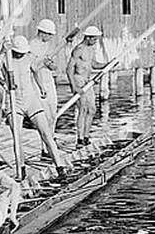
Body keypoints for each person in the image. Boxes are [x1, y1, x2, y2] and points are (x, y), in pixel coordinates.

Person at [8, 34, 69, 177]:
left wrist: (41, 87)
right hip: (14, 101)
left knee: (46, 133)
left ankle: (60, 167)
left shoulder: (29, 57)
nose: (20, 55)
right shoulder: (7, 59)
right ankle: (21, 169)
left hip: (30, 99)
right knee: (17, 137)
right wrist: (2, 52)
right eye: (18, 53)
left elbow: (35, 70)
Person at [67, 26, 108, 148]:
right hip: (78, 80)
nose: (95, 41)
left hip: (88, 81)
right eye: (94, 39)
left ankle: (86, 136)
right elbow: (69, 69)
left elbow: (94, 64)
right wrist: (74, 87)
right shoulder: (79, 49)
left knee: (92, 110)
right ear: (88, 37)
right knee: (83, 109)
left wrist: (107, 64)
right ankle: (79, 139)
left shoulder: (91, 49)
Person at [26, 17, 59, 106]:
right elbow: (33, 68)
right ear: (43, 33)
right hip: (37, 81)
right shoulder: (32, 46)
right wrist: (41, 87)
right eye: (50, 34)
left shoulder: (48, 45)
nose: (51, 37)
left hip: (48, 78)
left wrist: (50, 64)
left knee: (53, 106)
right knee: (42, 109)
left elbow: (54, 67)